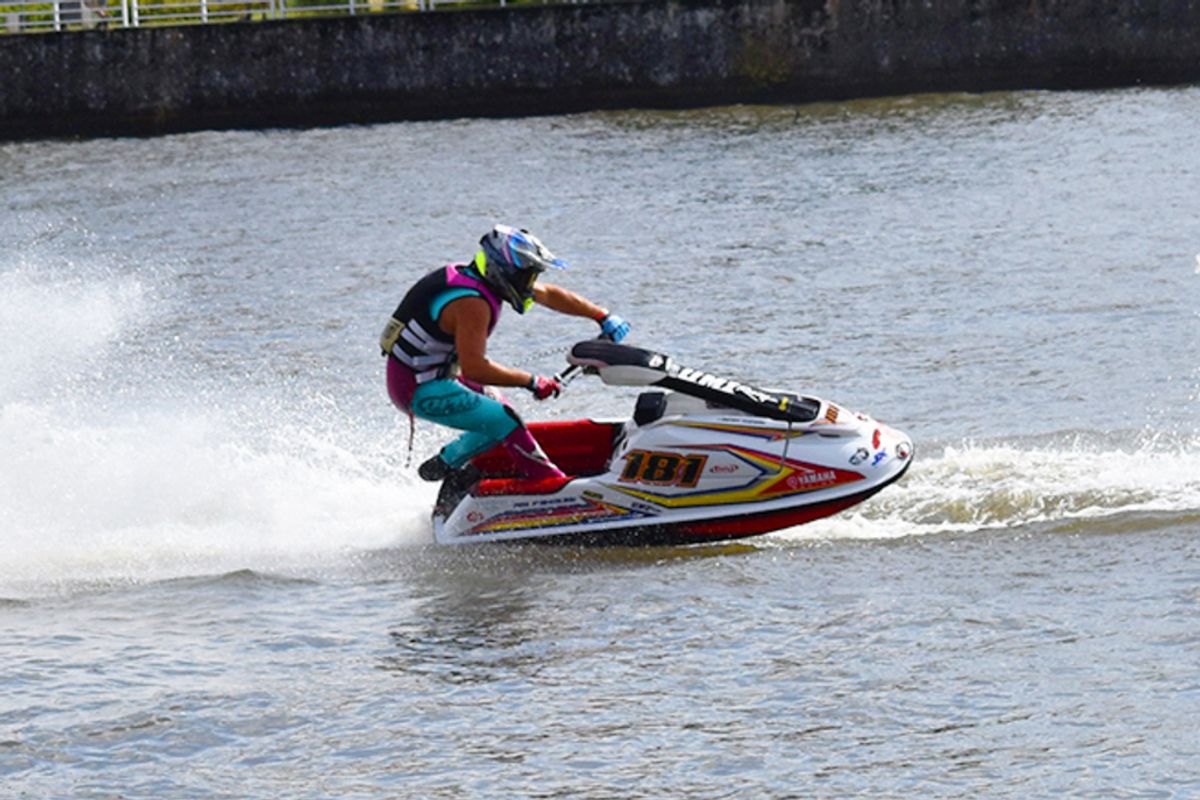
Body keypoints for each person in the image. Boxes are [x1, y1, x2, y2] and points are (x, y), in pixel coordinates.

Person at [381, 225, 630, 483]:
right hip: (417, 388)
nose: (531, 285)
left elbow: (552, 295)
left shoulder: (483, 278)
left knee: (501, 412)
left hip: (435, 374)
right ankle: (551, 485)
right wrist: (532, 381)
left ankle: (444, 464)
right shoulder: (471, 304)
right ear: (503, 271)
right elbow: (475, 369)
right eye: (527, 277)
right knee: (505, 420)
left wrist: (602, 316)